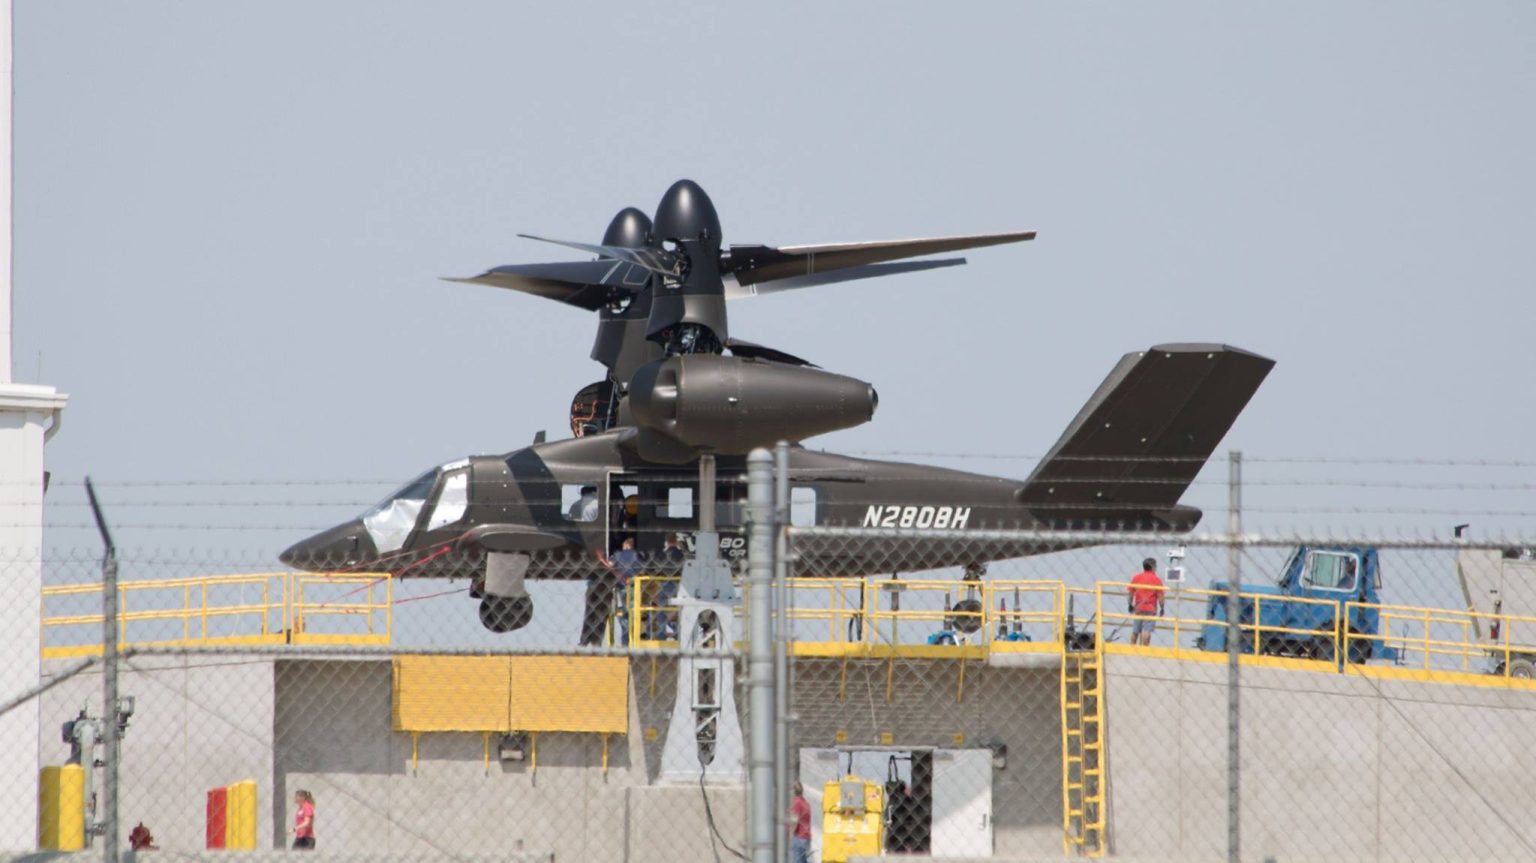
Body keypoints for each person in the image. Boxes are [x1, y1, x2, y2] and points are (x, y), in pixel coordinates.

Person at [610, 538, 643, 645]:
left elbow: (610, 565)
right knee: (633, 612)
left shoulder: (618, 555)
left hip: (622, 587)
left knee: (624, 612)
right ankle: (634, 637)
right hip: (634, 587)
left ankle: (626, 640)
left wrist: (618, 574)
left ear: (624, 545)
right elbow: (643, 568)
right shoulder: (637, 555)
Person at [1128, 558, 1164, 646]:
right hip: (1150, 608)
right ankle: (1145, 648)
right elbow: (1160, 596)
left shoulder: (1137, 577)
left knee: (1135, 630)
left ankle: (1132, 646)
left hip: (1139, 607)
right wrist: (1162, 608)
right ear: (1153, 567)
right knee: (1147, 630)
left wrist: (1130, 604)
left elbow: (1131, 593)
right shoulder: (1156, 580)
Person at [787, 781, 812, 863]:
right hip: (805, 837)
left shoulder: (797, 802)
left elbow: (795, 820)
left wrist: (790, 835)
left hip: (799, 838)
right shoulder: (805, 802)